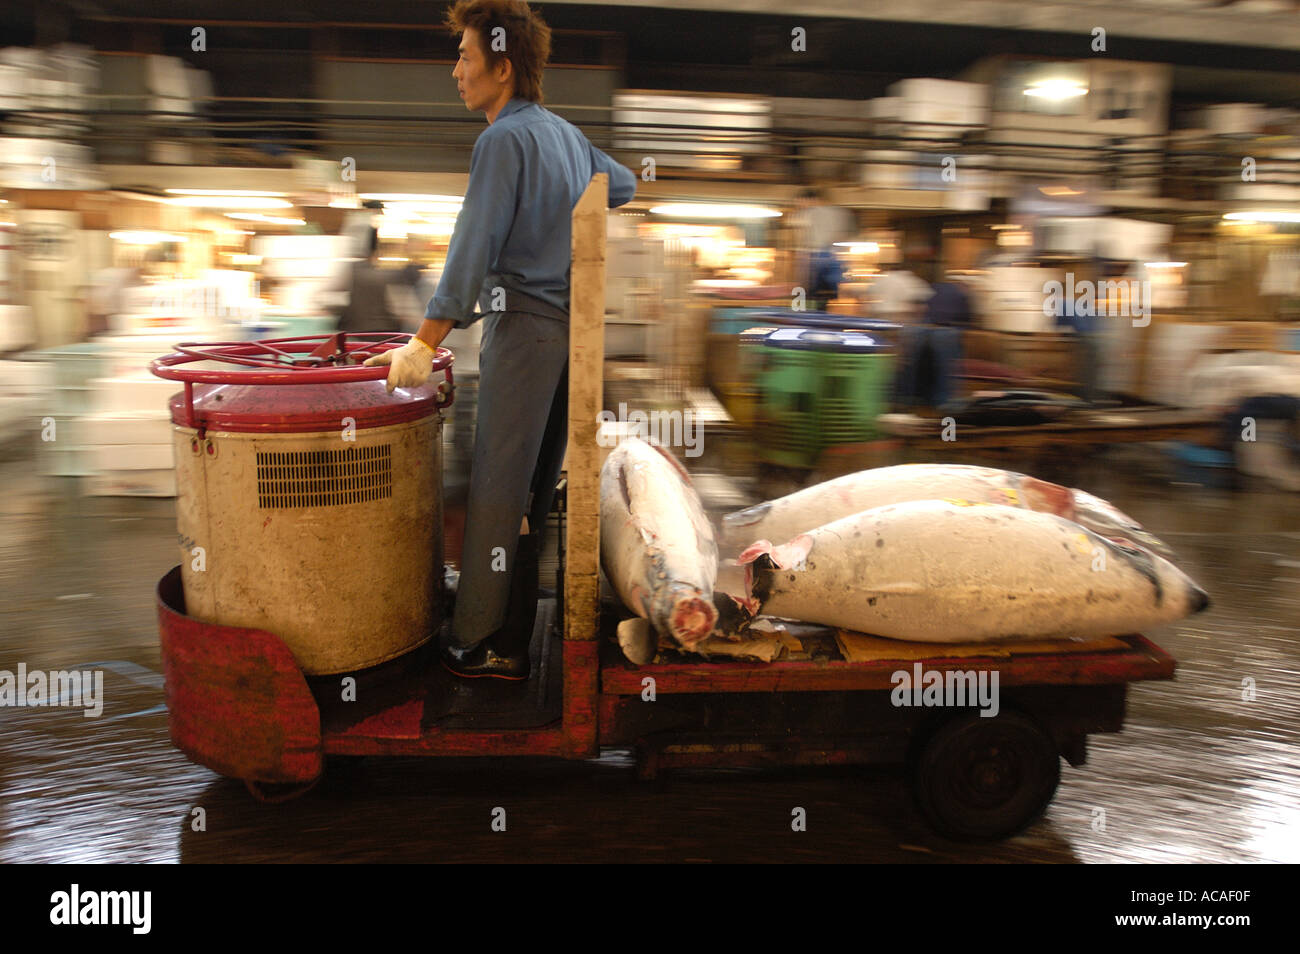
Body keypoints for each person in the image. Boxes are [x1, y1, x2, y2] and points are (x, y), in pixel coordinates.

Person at [365, 0, 636, 680]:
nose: (455, 70)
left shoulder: (501, 141)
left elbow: (471, 248)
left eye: (464, 57)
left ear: (503, 67)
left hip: (522, 329)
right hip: (573, 339)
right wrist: (566, 197)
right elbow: (623, 185)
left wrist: (424, 342)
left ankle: (488, 643)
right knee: (534, 490)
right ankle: (514, 623)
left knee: (496, 488)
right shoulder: (568, 138)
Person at [331, 227, 428, 333]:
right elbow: (402, 310)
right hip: (384, 336)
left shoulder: (352, 269)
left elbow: (327, 296)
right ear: (379, 249)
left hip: (355, 333)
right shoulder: (391, 274)